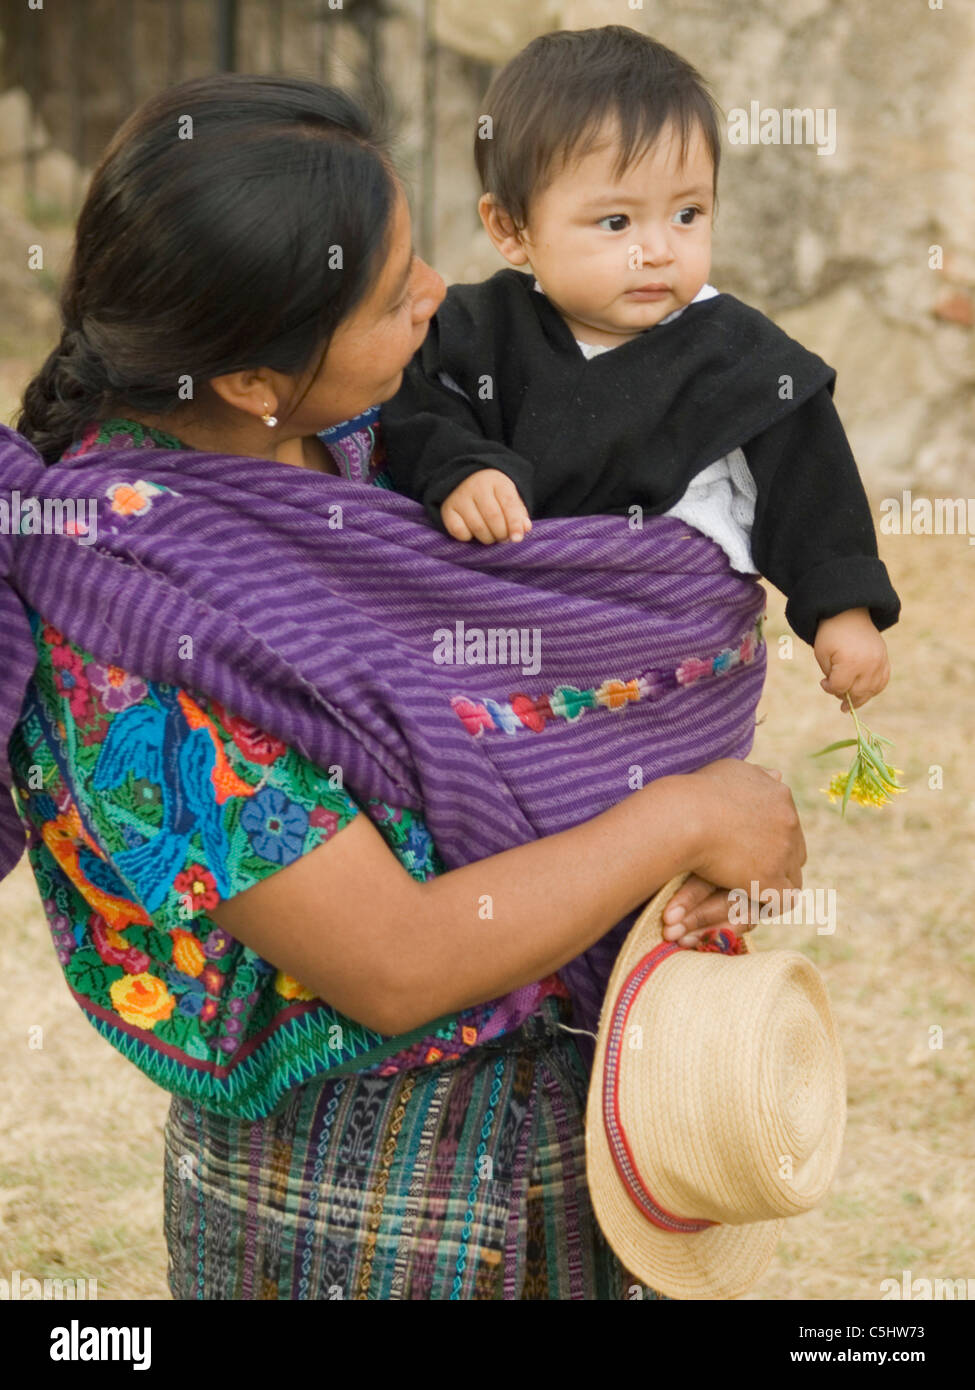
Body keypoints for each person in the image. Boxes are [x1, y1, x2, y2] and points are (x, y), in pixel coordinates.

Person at [1, 73, 805, 1300]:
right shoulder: (126, 625)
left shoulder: (382, 441)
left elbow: (577, 627)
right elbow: (389, 959)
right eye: (392, 296)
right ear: (254, 381)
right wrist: (684, 815)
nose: (438, 296)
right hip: (363, 1216)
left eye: (417, 257)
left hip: (583, 1131)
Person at [380, 26, 900, 717]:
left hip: (669, 662)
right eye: (616, 221)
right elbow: (404, 402)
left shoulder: (737, 353)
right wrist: (460, 466)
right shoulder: (474, 329)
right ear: (511, 230)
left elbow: (811, 485)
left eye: (687, 214)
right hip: (514, 656)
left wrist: (842, 609)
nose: (657, 250)